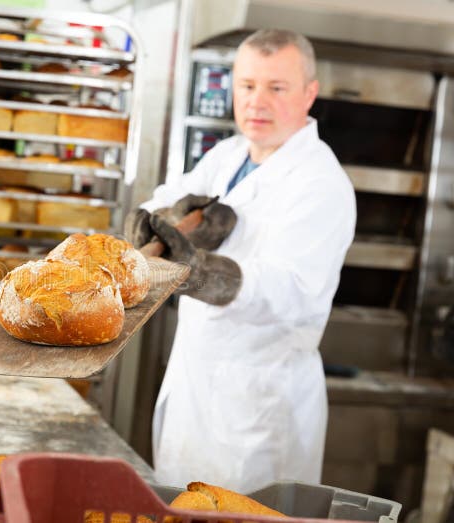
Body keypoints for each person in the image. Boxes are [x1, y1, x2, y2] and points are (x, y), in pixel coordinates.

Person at [125, 29, 356, 492]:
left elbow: (292, 292)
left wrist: (202, 273)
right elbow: (173, 197)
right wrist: (156, 217)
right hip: (195, 386)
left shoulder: (321, 183)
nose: (257, 102)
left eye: (277, 87)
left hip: (259, 409)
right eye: (247, 86)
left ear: (309, 93)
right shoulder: (229, 155)